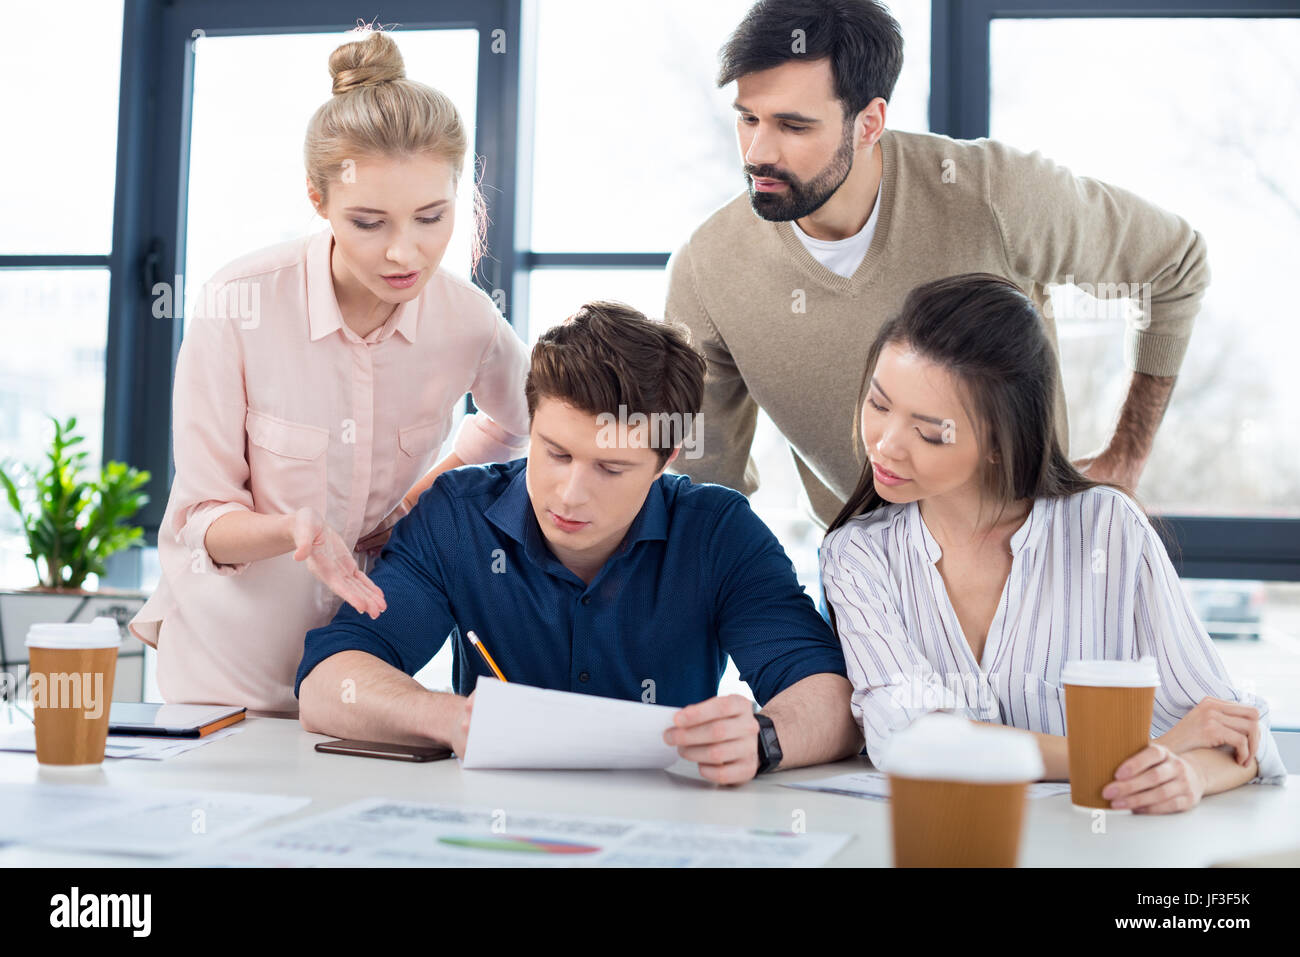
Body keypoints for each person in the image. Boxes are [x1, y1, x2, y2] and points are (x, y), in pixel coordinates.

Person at [666, 0, 1208, 533]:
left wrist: (1127, 454)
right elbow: (705, 491)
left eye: (793, 126)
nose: (758, 152)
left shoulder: (995, 193)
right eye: (747, 118)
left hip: (1041, 561)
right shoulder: (706, 269)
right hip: (866, 592)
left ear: (869, 122)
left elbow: (1175, 264)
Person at [129, 28, 531, 714]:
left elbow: (521, 424)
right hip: (226, 680)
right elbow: (200, 516)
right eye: (369, 222)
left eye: (431, 217)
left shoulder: (467, 320)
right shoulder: (240, 304)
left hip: (366, 679)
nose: (405, 253)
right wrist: (293, 530)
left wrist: (416, 505)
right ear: (319, 199)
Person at [296, 302, 863, 784]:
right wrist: (445, 717)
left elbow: (833, 699)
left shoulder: (718, 533)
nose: (569, 496)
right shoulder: (457, 517)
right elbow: (326, 684)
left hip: (667, 827)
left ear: (666, 459)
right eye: (556, 453)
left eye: (611, 468)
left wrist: (762, 739)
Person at [820, 274, 1286, 815]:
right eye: (878, 404)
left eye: (929, 432)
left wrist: (1186, 774)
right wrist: (1147, 750)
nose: (885, 444)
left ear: (1001, 441)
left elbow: (1238, 737)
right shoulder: (857, 557)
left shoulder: (1107, 530)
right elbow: (909, 740)